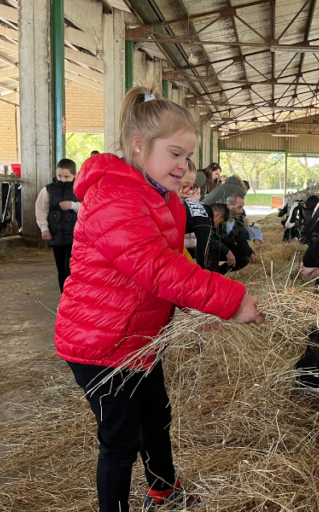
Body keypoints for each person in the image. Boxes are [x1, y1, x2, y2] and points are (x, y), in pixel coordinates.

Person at [53, 86, 264, 512]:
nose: (185, 168)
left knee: (156, 417)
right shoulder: (114, 197)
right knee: (119, 440)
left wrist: (196, 306)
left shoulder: (159, 198)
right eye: (175, 154)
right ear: (138, 146)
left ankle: (163, 491)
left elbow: (175, 264)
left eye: (187, 158)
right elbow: (156, 268)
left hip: (138, 339)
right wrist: (229, 299)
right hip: (101, 343)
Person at [35, 158, 80, 293]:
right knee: (61, 269)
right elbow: (41, 209)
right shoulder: (48, 190)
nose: (62, 179)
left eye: (67, 176)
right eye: (59, 175)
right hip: (57, 234)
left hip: (75, 235)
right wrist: (44, 228)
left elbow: (88, 206)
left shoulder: (79, 189)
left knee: (70, 267)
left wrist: (72, 205)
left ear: (75, 175)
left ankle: (74, 297)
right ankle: (64, 297)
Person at [217, 193, 256, 274]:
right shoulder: (217, 215)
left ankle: (219, 272)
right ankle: (210, 272)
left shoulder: (238, 219)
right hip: (213, 246)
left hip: (225, 247)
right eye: (239, 207)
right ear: (229, 204)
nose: (242, 211)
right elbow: (212, 239)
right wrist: (227, 251)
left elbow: (241, 239)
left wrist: (249, 252)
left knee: (244, 258)